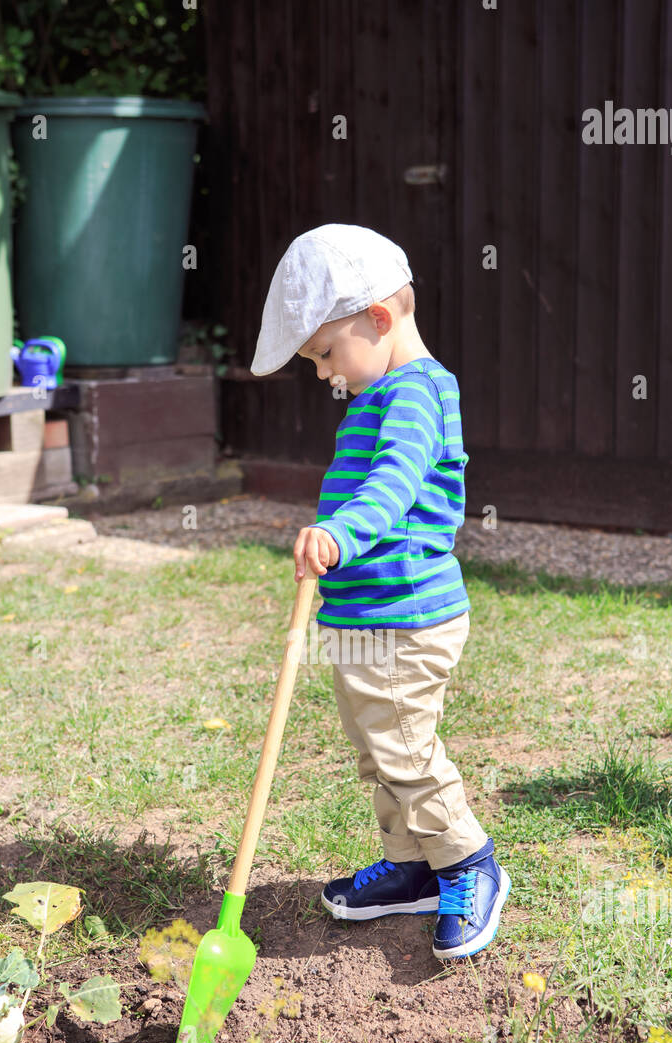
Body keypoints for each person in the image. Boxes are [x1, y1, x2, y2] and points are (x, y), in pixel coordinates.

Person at [250, 223, 510, 959]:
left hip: (405, 617)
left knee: (405, 750)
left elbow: (391, 488)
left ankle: (468, 863)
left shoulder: (418, 395)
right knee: (378, 753)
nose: (325, 372)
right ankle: (412, 867)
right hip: (363, 617)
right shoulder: (377, 393)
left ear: (379, 319)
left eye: (327, 353)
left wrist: (340, 532)